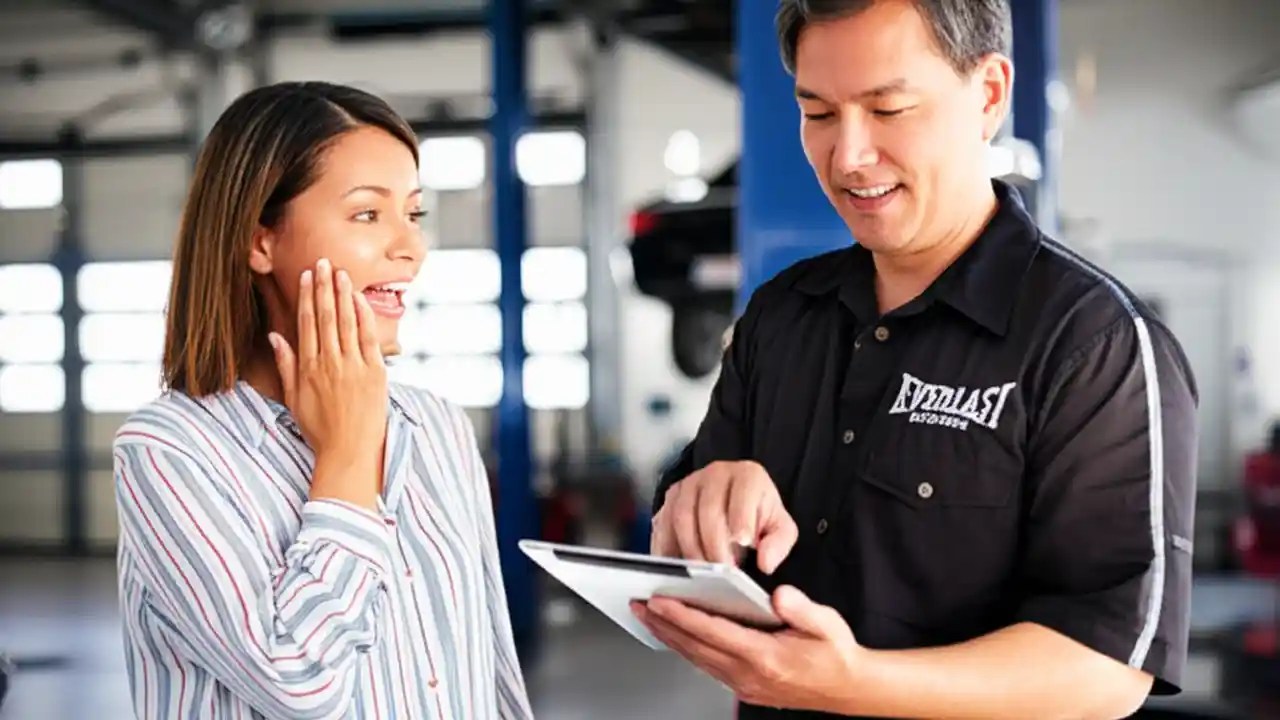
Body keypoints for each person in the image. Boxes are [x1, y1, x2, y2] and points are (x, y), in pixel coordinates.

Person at [634, 1, 1198, 718]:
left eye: (890, 109)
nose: (849, 157)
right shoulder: (781, 318)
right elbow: (683, 540)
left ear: (989, 95)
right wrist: (703, 504)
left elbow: (1107, 670)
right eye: (819, 114)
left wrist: (848, 683)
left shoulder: (1093, 345)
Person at [112, 81, 534, 719]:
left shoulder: (438, 427)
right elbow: (298, 682)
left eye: (413, 214)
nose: (410, 249)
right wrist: (346, 454)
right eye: (368, 214)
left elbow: (489, 672)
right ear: (260, 242)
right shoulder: (169, 451)